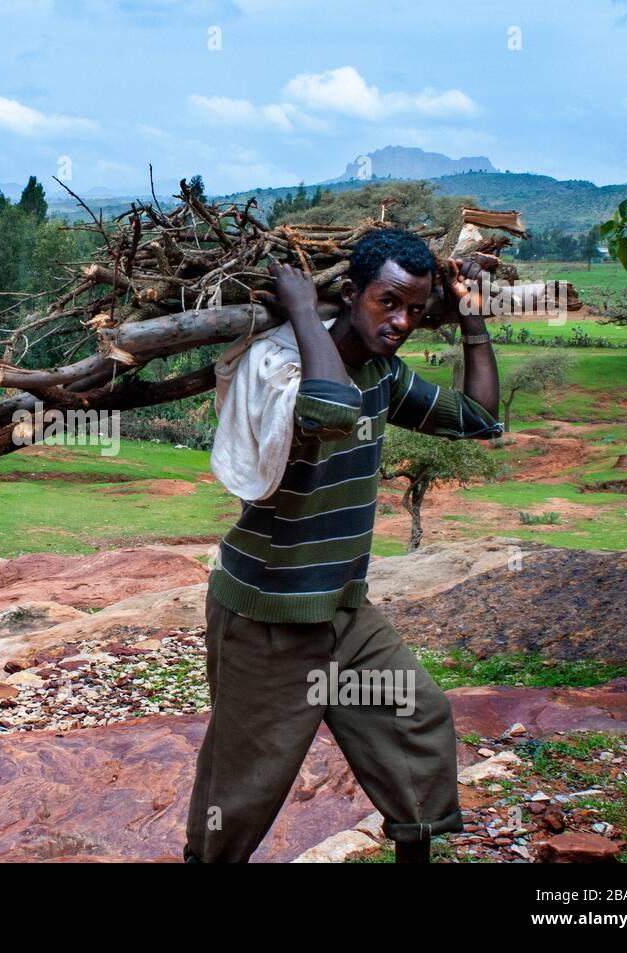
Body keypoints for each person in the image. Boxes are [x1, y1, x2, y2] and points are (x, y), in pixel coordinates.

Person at [185, 229, 501, 863]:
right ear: (351, 293)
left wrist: (471, 321)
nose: (402, 322)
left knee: (416, 720)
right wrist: (303, 310)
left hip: (345, 613)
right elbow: (330, 410)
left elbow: (481, 418)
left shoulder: (382, 373)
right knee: (241, 790)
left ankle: (415, 852)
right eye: (389, 303)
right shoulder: (285, 371)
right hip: (266, 615)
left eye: (414, 309)